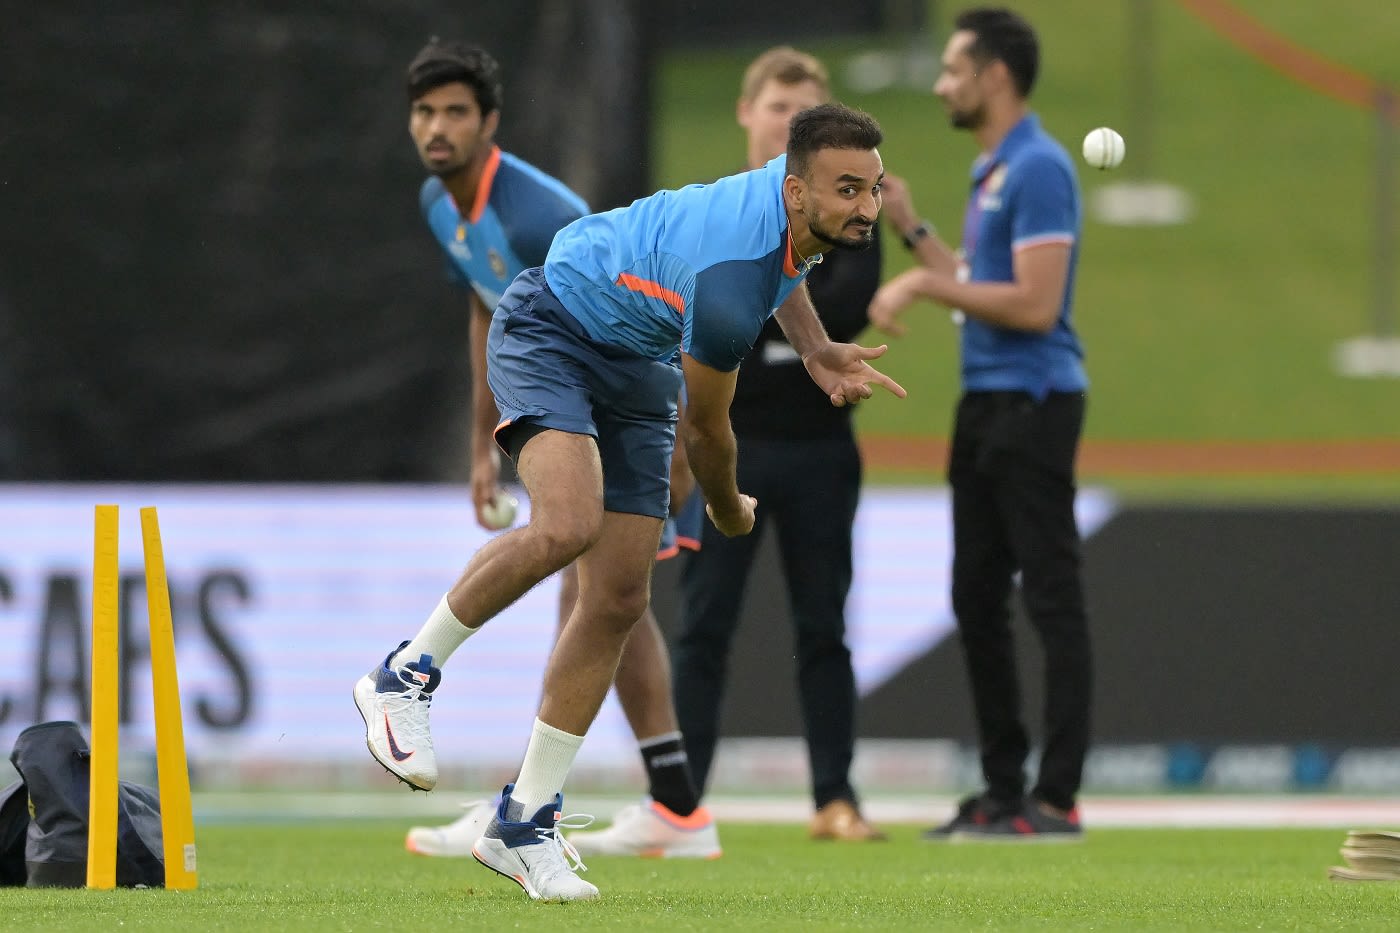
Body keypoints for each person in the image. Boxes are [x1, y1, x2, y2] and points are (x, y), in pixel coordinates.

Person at [358, 97, 903, 900]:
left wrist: (817, 349)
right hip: (553, 328)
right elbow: (712, 434)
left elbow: (782, 272)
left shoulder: (786, 209)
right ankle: (405, 673)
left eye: (874, 188)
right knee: (568, 527)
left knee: (616, 596)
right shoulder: (725, 290)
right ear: (796, 190)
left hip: (637, 358)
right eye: (847, 190)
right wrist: (726, 511)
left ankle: (524, 820)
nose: (866, 207)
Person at [359, 38, 717, 867]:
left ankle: (540, 803)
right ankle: (616, 805)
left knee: (607, 595)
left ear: (491, 123)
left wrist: (678, 445)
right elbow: (491, 312)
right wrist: (485, 446)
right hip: (567, 406)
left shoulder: (535, 213)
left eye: (455, 111)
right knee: (601, 589)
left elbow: (644, 308)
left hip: (630, 403)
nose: (437, 127)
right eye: (424, 111)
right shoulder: (439, 202)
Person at [868, 6, 1090, 841]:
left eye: (953, 69)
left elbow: (1033, 305)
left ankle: (1056, 796)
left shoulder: (1038, 167)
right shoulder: (995, 169)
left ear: (993, 76)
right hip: (987, 401)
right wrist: (915, 233)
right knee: (975, 596)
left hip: (1034, 399)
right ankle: (1004, 792)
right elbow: (982, 282)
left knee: (1051, 598)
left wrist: (921, 287)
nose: (940, 85)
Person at [670, 46, 893, 843]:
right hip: (724, 439)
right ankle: (679, 801)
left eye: (803, 112)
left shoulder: (851, 209)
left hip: (820, 448)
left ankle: (834, 797)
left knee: (823, 626)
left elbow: (849, 300)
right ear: (746, 112)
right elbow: (717, 305)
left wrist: (768, 324)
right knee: (702, 627)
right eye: (776, 107)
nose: (785, 122)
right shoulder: (722, 210)